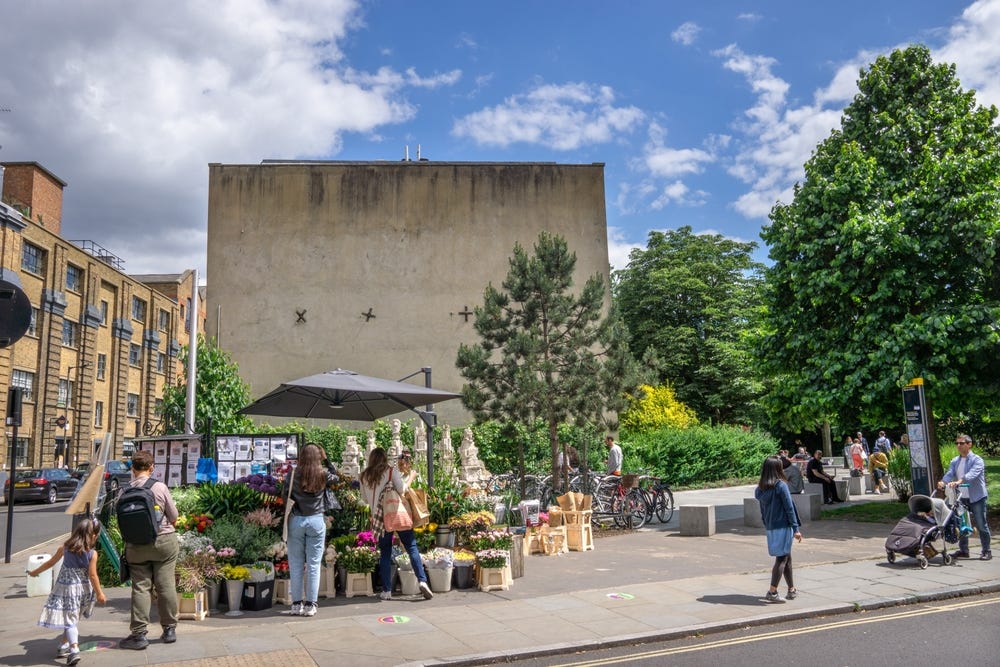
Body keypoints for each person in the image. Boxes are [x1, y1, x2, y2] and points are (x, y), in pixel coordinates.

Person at [120, 450, 179, 650]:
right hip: (163, 542)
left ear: (133, 469)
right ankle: (169, 629)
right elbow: (174, 515)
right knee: (166, 585)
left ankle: (139, 635)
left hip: (136, 545)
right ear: (151, 467)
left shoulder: (125, 490)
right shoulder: (160, 487)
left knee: (140, 587)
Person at [29, 517, 107, 665]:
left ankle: (73, 649)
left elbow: (50, 563)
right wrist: (99, 593)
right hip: (83, 591)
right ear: (93, 536)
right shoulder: (92, 553)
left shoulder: (64, 547)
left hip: (66, 589)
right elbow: (92, 575)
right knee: (72, 618)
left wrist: (35, 572)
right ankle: (64, 645)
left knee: (70, 619)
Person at [360, 447, 433, 601]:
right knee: (411, 546)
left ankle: (387, 590)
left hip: (379, 518)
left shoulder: (364, 476)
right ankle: (422, 581)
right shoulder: (391, 471)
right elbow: (402, 489)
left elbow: (365, 500)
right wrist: (411, 477)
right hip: (397, 514)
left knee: (385, 552)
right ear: (384, 458)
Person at [282, 442, 340, 616]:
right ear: (318, 457)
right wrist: (327, 459)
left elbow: (285, 493)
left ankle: (296, 604)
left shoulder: (293, 474)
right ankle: (311, 605)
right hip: (316, 520)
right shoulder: (323, 474)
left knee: (296, 563)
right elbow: (336, 477)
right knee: (314, 564)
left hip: (296, 520)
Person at [755, 456, 802, 603]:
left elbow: (762, 510)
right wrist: (796, 528)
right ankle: (772, 591)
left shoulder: (761, 489)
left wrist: (766, 523)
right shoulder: (780, 485)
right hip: (783, 525)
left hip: (771, 526)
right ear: (777, 469)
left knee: (786, 557)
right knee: (782, 558)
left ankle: (792, 589)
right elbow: (789, 508)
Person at [937, 434, 992, 561]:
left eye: (961, 443)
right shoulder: (955, 460)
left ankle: (986, 551)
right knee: (962, 523)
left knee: (981, 524)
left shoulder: (977, 460)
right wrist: (943, 482)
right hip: (961, 497)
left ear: (969, 444)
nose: (958, 446)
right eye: (957, 443)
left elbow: (972, 474)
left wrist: (959, 481)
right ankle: (964, 550)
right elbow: (950, 473)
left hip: (977, 497)